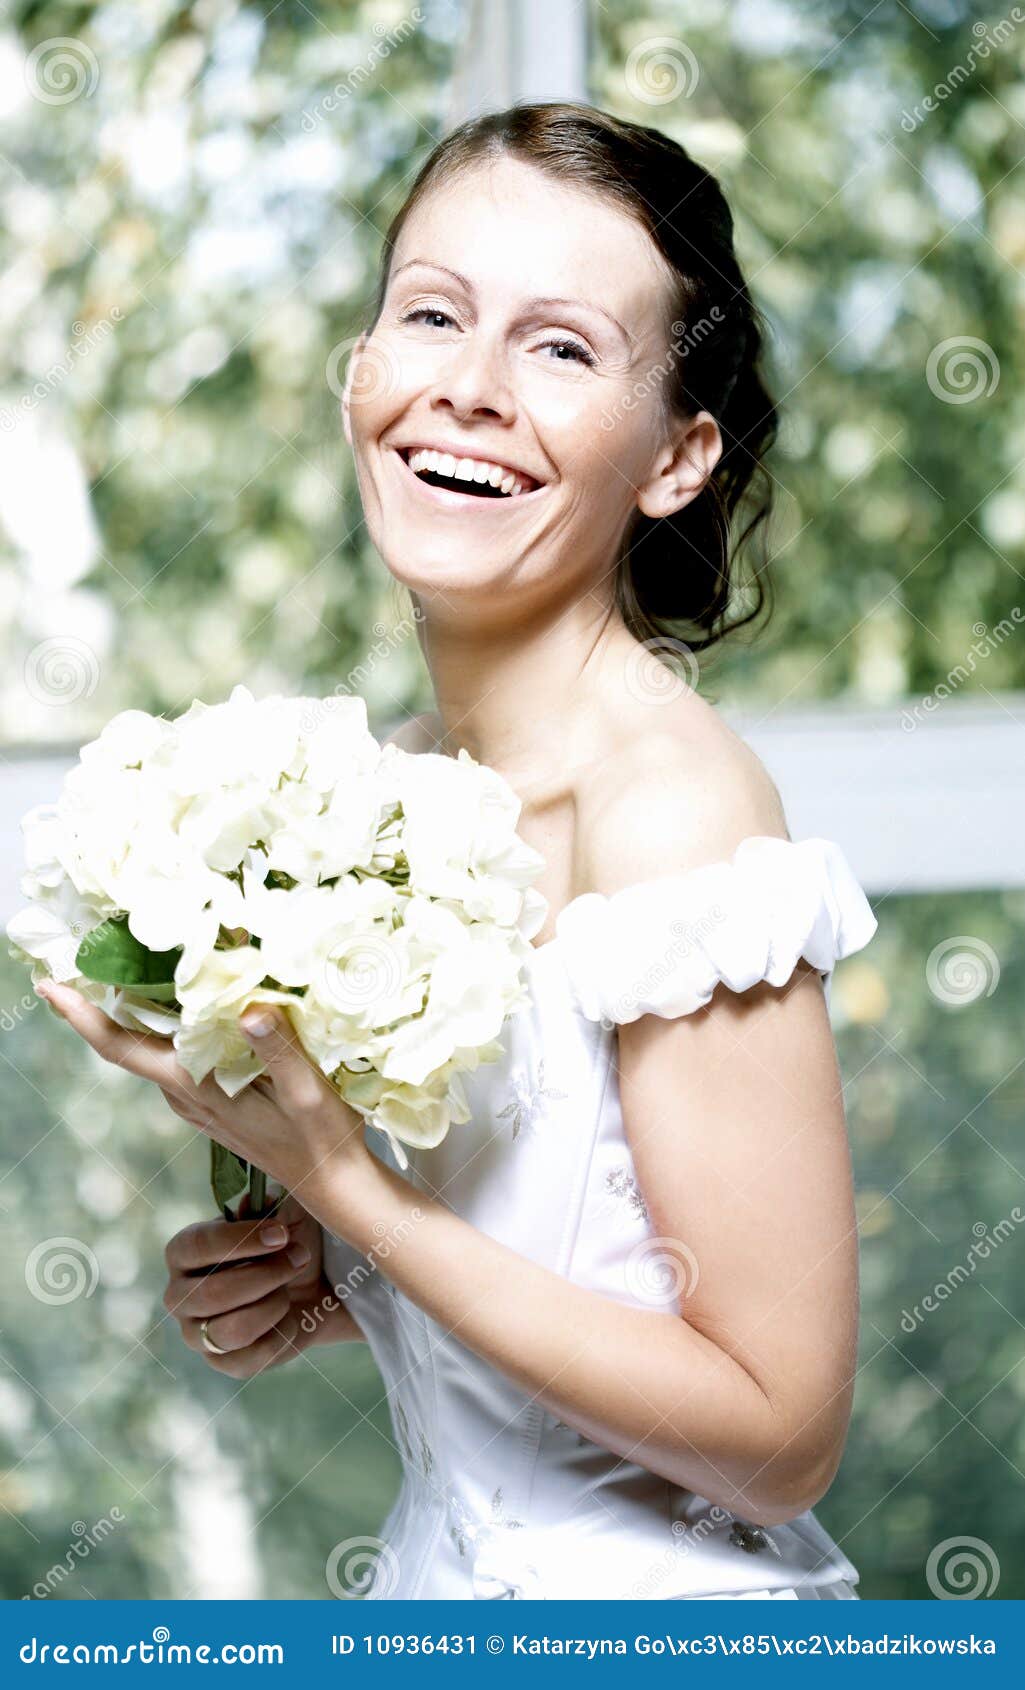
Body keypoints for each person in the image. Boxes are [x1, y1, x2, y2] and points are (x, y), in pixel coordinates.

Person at [49, 103, 878, 1599]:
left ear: (677, 456)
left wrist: (351, 1193)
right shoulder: (411, 786)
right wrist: (345, 1289)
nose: (470, 389)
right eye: (432, 314)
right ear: (359, 371)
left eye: (561, 347)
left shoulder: (672, 811)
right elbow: (588, 1267)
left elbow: (778, 1436)